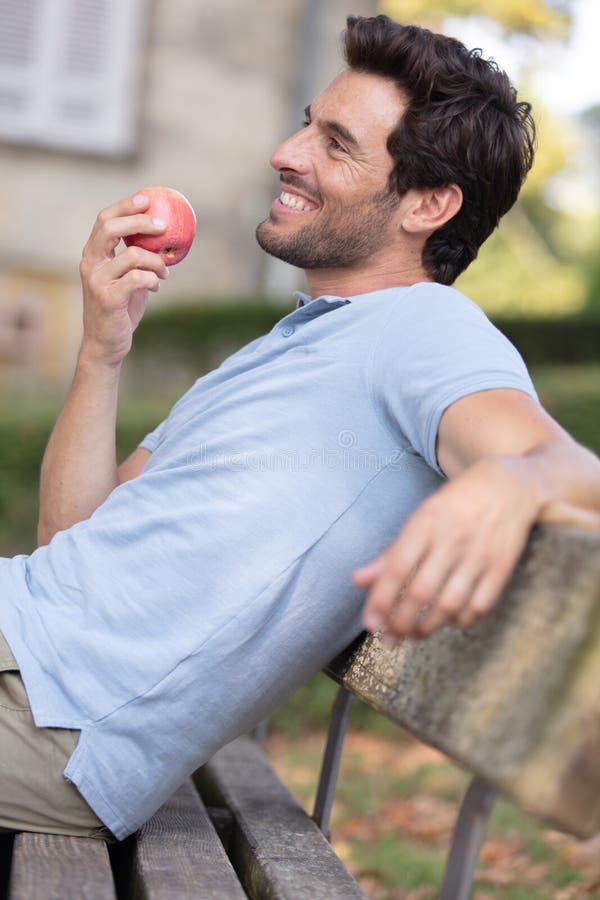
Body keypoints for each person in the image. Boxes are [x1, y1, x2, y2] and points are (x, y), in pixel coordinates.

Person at [1, 14, 599, 842]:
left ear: (428, 203)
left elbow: (566, 463)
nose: (287, 152)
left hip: (49, 720)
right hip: (24, 648)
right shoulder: (296, 344)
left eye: (336, 142)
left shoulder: (422, 328)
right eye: (306, 123)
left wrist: (514, 480)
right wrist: (103, 349)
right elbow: (70, 540)